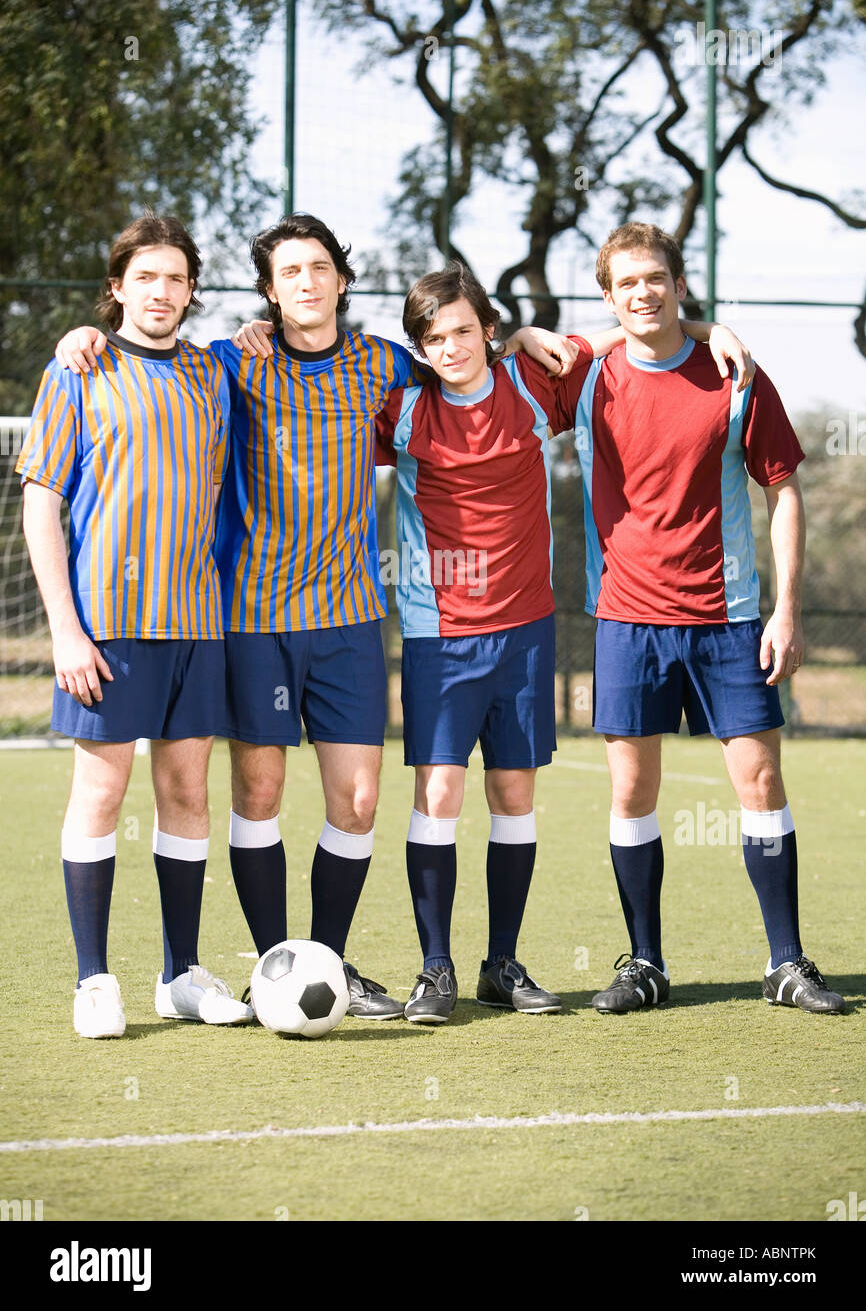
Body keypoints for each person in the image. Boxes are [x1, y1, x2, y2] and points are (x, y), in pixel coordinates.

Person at [53, 214, 567, 1019]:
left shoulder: (384, 365)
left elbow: (460, 355)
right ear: (269, 289)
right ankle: (273, 969)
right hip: (254, 618)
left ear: (341, 279)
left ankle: (329, 960)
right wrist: (82, 336)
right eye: (289, 271)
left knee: (356, 800)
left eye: (319, 267)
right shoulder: (230, 364)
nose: (306, 282)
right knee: (257, 792)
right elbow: (145, 352)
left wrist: (524, 337)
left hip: (350, 617)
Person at [374, 263, 756, 1023]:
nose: (450, 348)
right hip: (437, 632)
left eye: (463, 331)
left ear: (487, 330)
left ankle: (501, 964)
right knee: (439, 792)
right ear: (420, 348)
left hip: (524, 628)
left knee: (514, 795)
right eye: (433, 339)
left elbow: (634, 334)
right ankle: (434, 968)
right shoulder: (402, 407)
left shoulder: (531, 383)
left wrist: (710, 328)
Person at [549, 221, 846, 1015]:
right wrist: (703, 326)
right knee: (631, 790)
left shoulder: (737, 375)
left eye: (656, 278)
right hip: (626, 619)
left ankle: (785, 963)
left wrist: (786, 609)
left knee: (761, 780)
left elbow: (784, 490)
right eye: (626, 283)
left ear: (678, 284)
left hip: (728, 618)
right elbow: (507, 358)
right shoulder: (586, 378)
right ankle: (645, 965)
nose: (644, 292)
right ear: (608, 297)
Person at [18, 213, 253, 1037]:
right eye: (145, 277)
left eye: (176, 279)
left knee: (187, 793)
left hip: (199, 624)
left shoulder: (213, 373)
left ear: (192, 292)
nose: (161, 291)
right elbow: (40, 504)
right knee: (101, 793)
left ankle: (179, 974)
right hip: (107, 627)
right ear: (117, 287)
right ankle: (93, 980)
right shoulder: (77, 369)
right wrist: (65, 630)